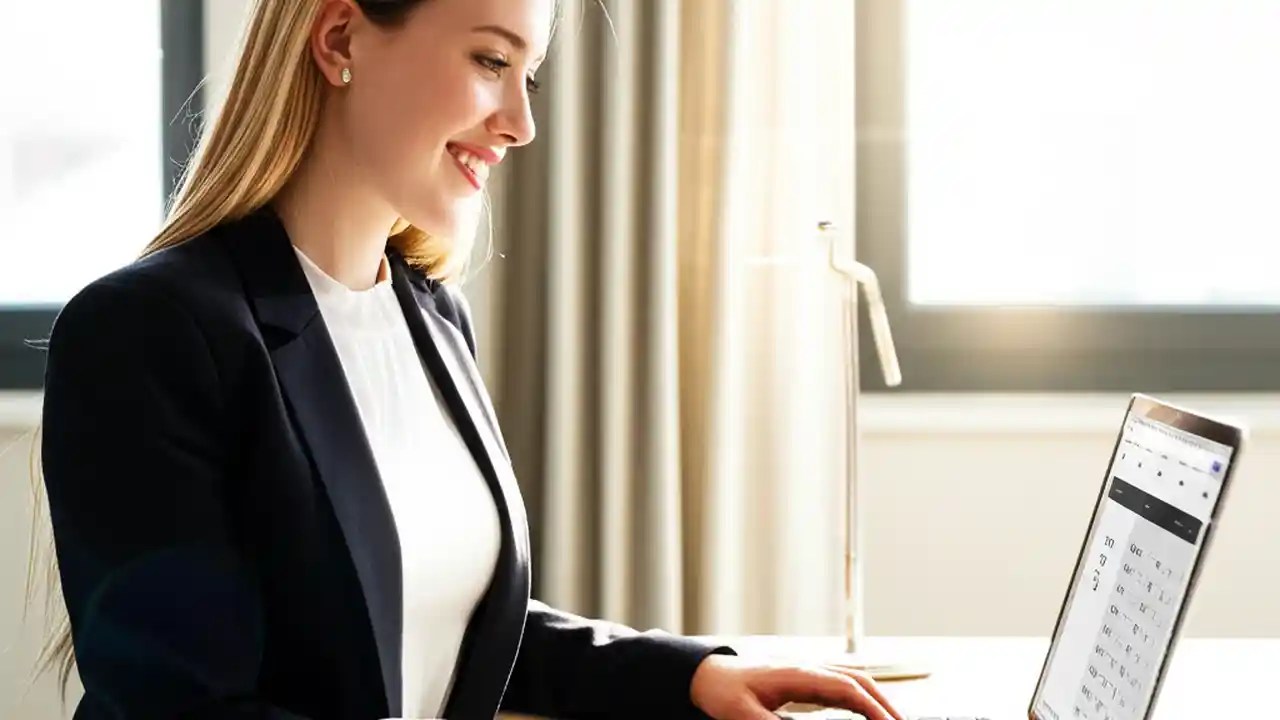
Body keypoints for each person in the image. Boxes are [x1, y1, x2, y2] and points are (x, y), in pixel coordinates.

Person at [34, 1, 904, 718]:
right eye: (492, 62)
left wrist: (686, 675)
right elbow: (181, 710)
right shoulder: (148, 332)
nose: (523, 123)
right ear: (339, 40)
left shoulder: (430, 315)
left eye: (529, 77)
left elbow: (434, 625)